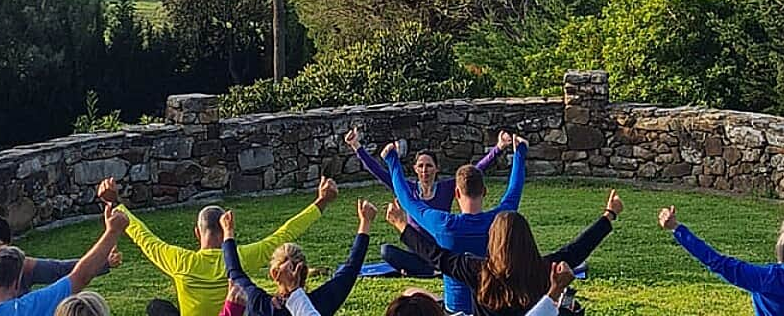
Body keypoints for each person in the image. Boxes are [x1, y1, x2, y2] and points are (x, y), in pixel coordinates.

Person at [97, 176, 338, 316]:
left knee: (157, 308)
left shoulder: (180, 261)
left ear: (196, 232)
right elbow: (284, 234)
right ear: (227, 231)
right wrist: (321, 202)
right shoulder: (240, 257)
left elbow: (143, 236)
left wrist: (115, 203)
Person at [385, 188, 624, 316]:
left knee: (413, 293)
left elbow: (436, 256)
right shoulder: (543, 269)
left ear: (494, 240)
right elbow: (577, 249)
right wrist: (608, 215)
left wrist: (401, 225)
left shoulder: (477, 271)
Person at [384, 134, 529, 314]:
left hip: (455, 310)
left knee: (410, 292)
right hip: (492, 307)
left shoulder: (444, 224)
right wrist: (520, 153)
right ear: (484, 191)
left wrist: (392, 160)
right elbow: (514, 191)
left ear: (457, 193)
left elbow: (407, 200)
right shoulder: (499, 221)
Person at [344, 126, 513, 277]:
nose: (425, 170)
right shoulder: (408, 190)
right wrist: (356, 146)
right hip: (418, 250)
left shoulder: (447, 188)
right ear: (415, 169)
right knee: (386, 251)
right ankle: (429, 270)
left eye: (429, 166)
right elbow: (379, 172)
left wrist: (498, 148)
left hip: (440, 251)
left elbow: (475, 171)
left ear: (436, 168)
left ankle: (428, 269)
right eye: (421, 166)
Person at [220, 198, 374, 316]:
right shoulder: (320, 303)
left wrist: (228, 232)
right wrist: (365, 223)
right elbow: (350, 269)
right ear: (304, 271)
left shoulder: (259, 304)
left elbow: (235, 272)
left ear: (274, 274)